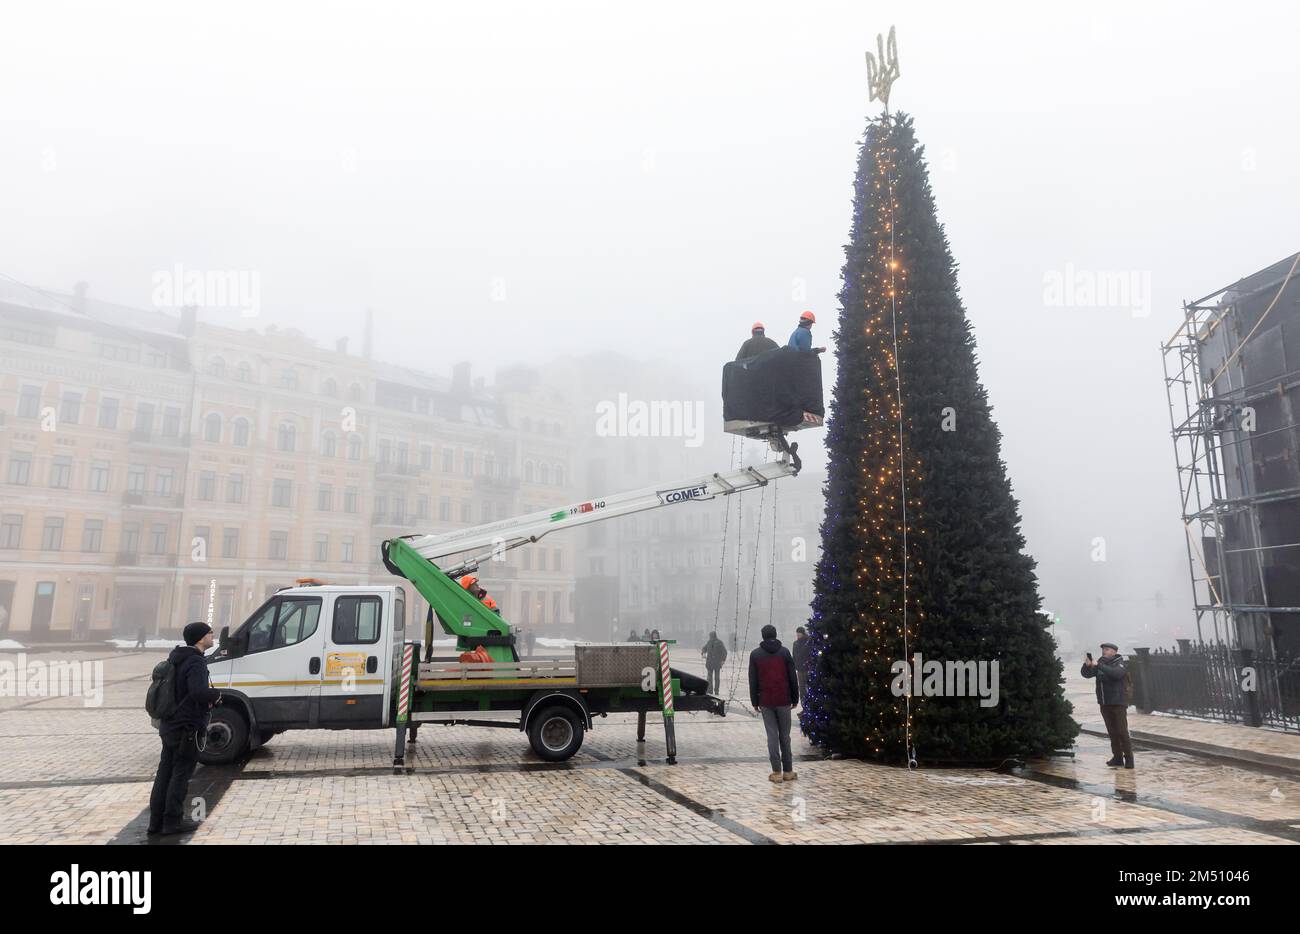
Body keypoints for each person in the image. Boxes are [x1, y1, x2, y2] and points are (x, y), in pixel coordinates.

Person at [148, 622, 221, 836]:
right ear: (200, 638)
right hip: (187, 727)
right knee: (180, 774)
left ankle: (156, 822)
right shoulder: (195, 661)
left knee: (165, 774)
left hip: (170, 725)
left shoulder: (176, 658)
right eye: (209, 633)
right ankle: (172, 822)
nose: (212, 635)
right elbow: (198, 692)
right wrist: (216, 695)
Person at [748, 624, 800, 783]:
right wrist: (795, 697)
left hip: (766, 700)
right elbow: (792, 677)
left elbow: (753, 680)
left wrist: (755, 701)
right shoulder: (784, 652)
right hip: (783, 699)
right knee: (785, 735)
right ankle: (788, 771)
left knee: (772, 736)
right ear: (776, 635)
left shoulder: (755, 654)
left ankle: (776, 772)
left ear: (762, 636)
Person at [1082, 642, 1134, 769]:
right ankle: (1117, 757)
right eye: (1103, 649)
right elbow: (1087, 674)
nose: (1104, 651)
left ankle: (1129, 759)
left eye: (1107, 649)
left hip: (1118, 702)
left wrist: (1099, 665)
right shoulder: (1101, 663)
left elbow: (1116, 674)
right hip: (1105, 703)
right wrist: (1086, 665)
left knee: (1122, 731)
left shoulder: (1120, 663)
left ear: (1114, 651)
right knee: (1112, 732)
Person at [701, 630, 728, 695]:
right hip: (715, 663)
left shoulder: (712, 642)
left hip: (712, 663)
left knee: (712, 677)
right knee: (715, 678)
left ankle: (712, 691)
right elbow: (724, 652)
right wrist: (723, 660)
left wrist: (703, 653)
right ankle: (714, 691)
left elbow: (704, 648)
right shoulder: (716, 642)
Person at [791, 626, 811, 706]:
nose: (798, 635)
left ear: (803, 633)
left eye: (799, 633)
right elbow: (794, 656)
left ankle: (809, 705)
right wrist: (795, 665)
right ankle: (804, 705)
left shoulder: (808, 642)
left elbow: (809, 655)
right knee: (802, 688)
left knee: (808, 687)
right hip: (799, 669)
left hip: (807, 668)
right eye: (797, 634)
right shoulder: (795, 643)